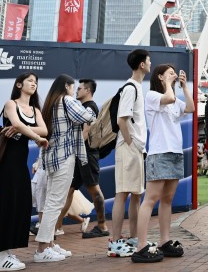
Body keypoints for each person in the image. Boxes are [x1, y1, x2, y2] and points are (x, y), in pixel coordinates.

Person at [132, 63, 195, 263]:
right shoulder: (152, 96)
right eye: (170, 74)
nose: (174, 76)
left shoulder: (175, 100)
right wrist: (169, 83)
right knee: (151, 199)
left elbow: (191, 108)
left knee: (167, 199)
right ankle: (141, 245)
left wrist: (184, 87)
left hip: (175, 153)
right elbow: (167, 97)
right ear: (160, 77)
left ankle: (164, 240)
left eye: (175, 74)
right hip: (159, 154)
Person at [0, 74, 49, 270]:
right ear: (19, 84)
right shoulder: (10, 104)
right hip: (7, 163)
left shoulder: (35, 110)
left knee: (20, 204)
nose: (34, 84)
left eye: (36, 82)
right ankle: (2, 255)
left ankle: (0, 249)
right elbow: (17, 124)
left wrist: (22, 129)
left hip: (20, 162)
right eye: (30, 80)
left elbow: (45, 130)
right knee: (7, 204)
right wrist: (35, 137)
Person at [35, 75, 96, 263]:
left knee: (52, 201)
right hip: (64, 156)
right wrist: (91, 115)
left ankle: (50, 245)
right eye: (73, 87)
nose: (74, 90)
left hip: (52, 157)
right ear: (67, 86)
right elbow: (87, 116)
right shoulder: (67, 100)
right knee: (55, 202)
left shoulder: (51, 103)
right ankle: (42, 248)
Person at [109, 49, 151, 258]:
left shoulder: (137, 88)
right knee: (123, 193)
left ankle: (134, 237)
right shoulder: (130, 88)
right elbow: (121, 119)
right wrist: (131, 142)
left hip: (136, 147)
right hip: (129, 147)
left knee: (136, 194)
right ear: (142, 64)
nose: (150, 63)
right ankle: (116, 242)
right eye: (148, 60)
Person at [57, 79, 108, 239]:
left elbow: (86, 133)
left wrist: (71, 150)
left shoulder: (90, 107)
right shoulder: (83, 107)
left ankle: (102, 226)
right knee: (69, 190)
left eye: (79, 89)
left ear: (87, 91)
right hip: (81, 155)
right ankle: (55, 227)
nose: (76, 91)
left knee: (94, 189)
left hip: (87, 155)